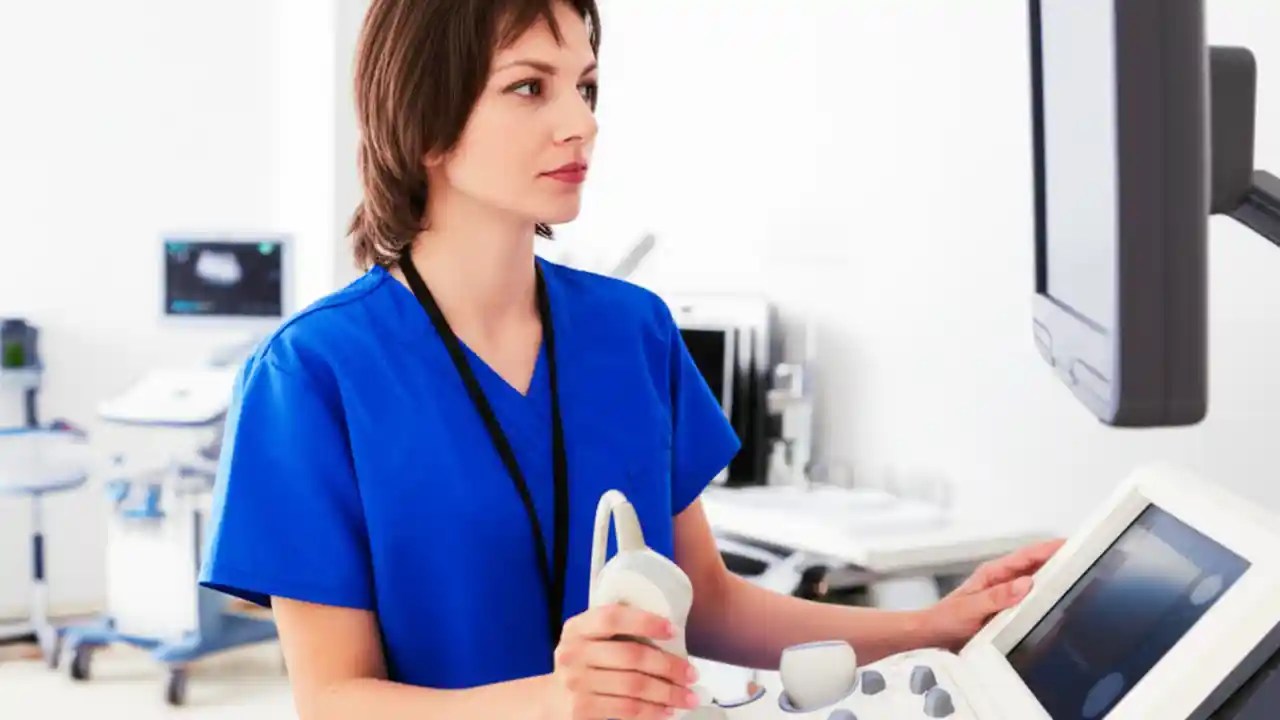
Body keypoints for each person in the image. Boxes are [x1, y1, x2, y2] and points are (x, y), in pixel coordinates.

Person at [198, 1, 1064, 718]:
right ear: (424, 122)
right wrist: (554, 699)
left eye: (586, 85)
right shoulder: (310, 374)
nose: (581, 123)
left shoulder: (634, 332)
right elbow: (335, 698)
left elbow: (709, 603)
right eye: (529, 88)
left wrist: (942, 626)